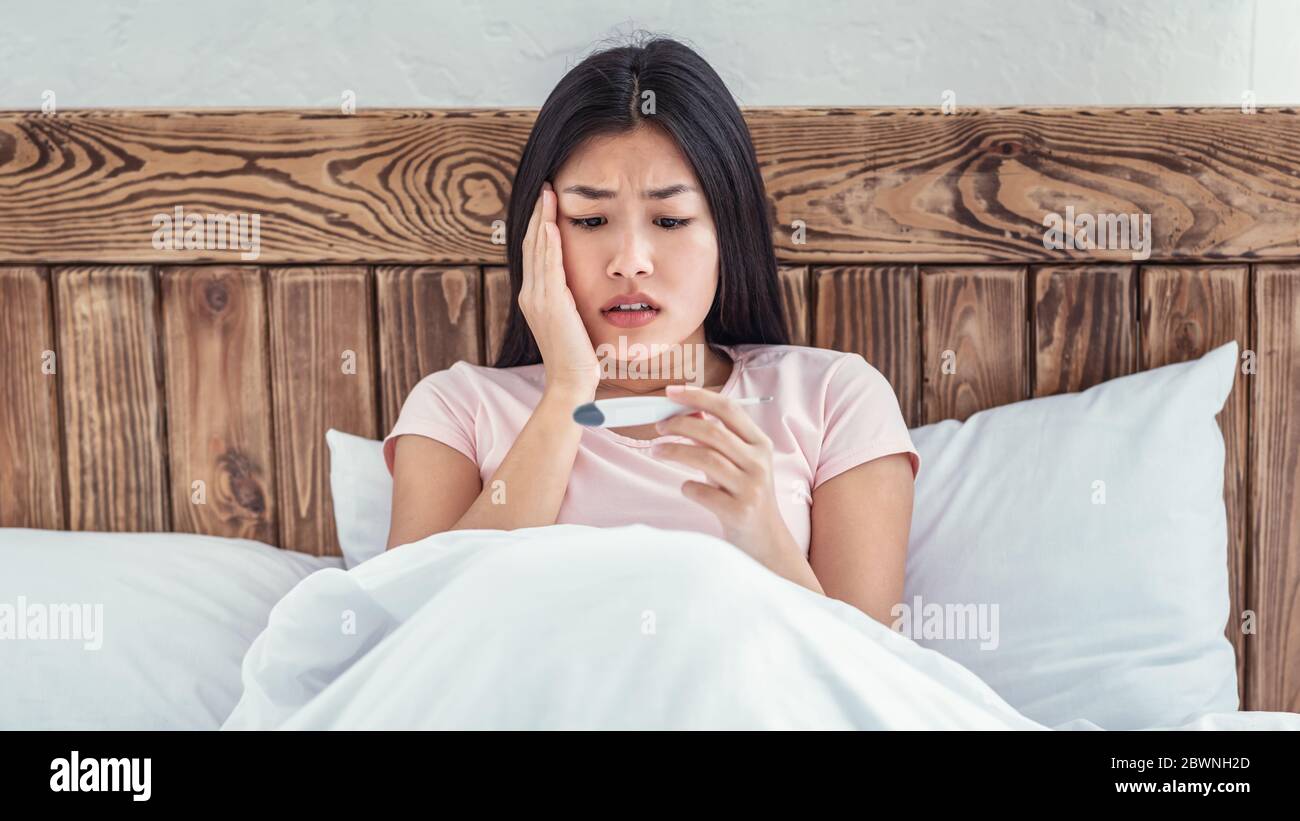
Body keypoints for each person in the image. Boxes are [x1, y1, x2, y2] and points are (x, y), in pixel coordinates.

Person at [384, 34, 919, 626]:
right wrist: (567, 389)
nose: (630, 260)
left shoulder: (834, 396)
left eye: (670, 219)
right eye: (590, 219)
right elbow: (406, 643)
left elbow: (874, 680)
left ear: (727, 233)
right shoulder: (457, 408)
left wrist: (762, 530)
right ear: (538, 235)